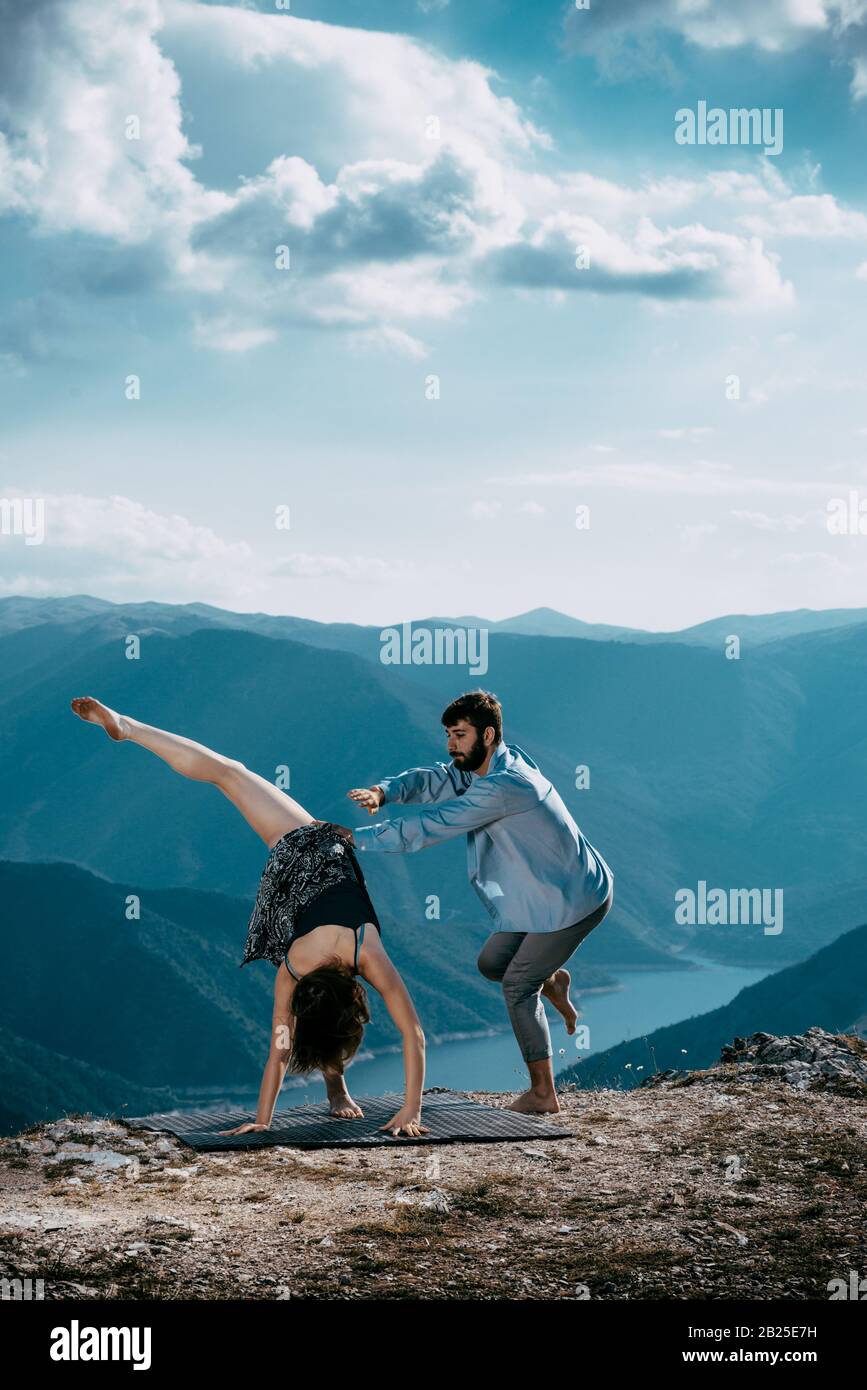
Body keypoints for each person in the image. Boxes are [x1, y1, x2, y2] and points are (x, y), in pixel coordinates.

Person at [70, 696, 427, 1138]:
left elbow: (290, 1047)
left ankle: (129, 726)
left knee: (229, 772)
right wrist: (412, 1111)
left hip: (312, 846)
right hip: (299, 861)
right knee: (230, 775)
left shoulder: (350, 956)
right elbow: (406, 1034)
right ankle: (337, 1088)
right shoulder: (301, 971)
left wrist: (262, 1121)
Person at [342, 689, 613, 1115]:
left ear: (487, 735)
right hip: (537, 896)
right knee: (492, 964)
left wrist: (356, 838)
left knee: (517, 984)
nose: (451, 744)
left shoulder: (506, 786)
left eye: (460, 735)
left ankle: (544, 1094)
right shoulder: (491, 762)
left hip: (572, 901)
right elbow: (439, 779)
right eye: (449, 734)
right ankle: (553, 980)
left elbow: (435, 824)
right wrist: (385, 791)